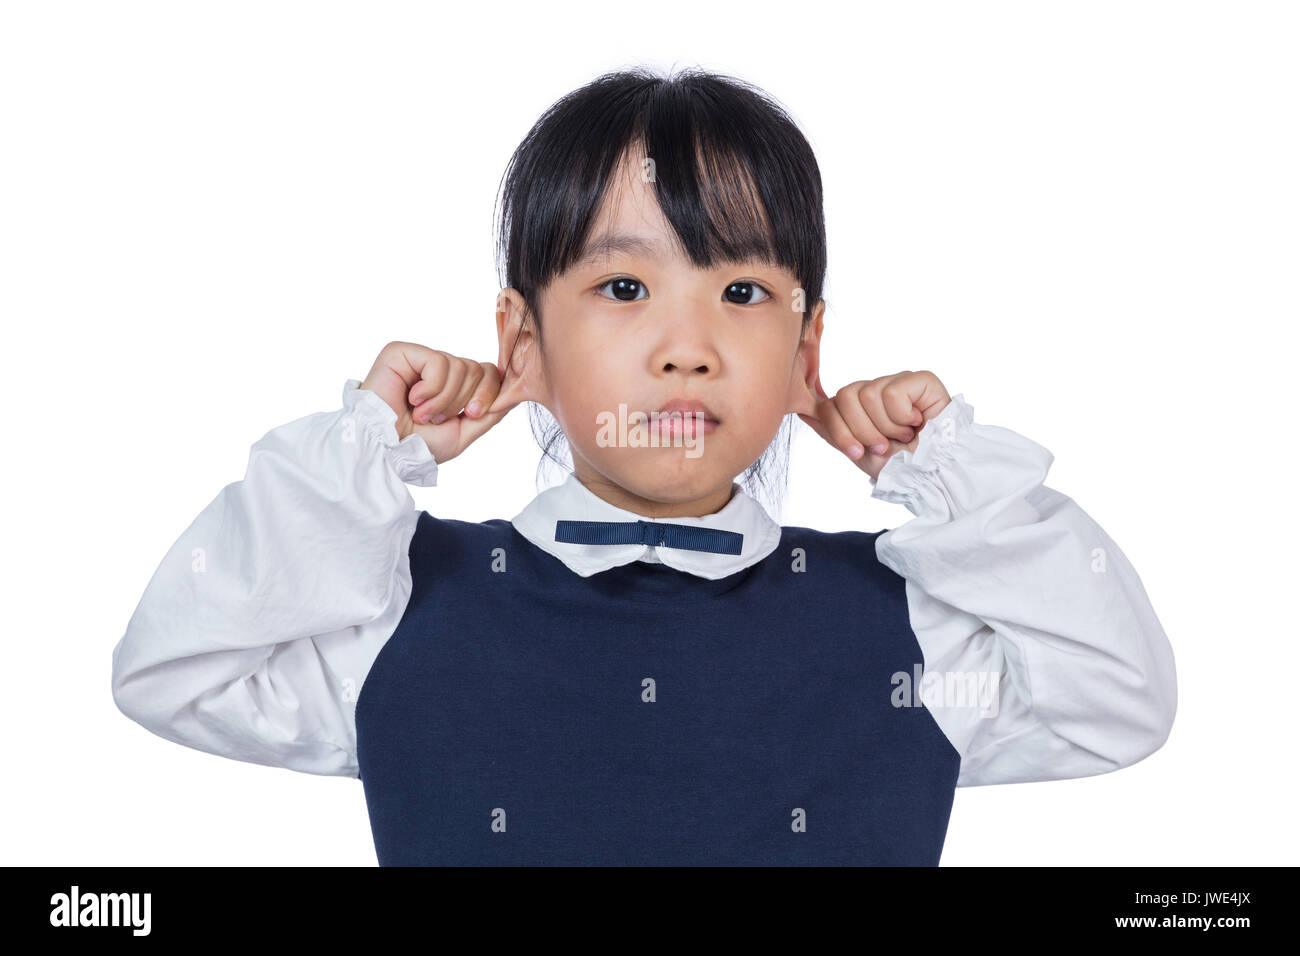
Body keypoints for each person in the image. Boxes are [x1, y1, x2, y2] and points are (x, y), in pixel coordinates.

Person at [110, 67, 1177, 865]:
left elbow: (1116, 696)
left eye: (744, 292)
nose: (686, 343)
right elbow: (174, 668)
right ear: (522, 345)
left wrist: (946, 475)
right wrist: (362, 456)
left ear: (807, 353)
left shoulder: (908, 631)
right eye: (624, 289)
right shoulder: (397, 613)